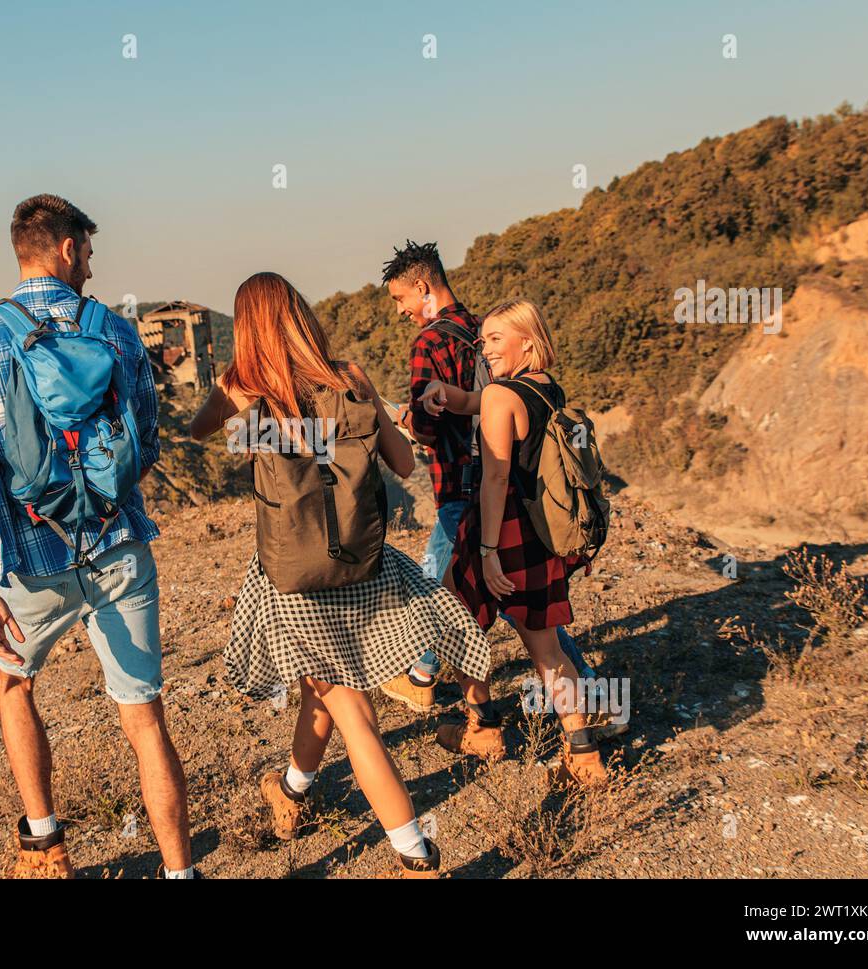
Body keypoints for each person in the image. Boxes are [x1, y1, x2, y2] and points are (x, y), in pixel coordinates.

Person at [190, 272, 493, 877]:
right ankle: (293, 790)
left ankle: (416, 856)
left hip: (295, 581)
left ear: (247, 329)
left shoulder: (245, 389)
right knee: (321, 691)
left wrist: (234, 395)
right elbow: (404, 462)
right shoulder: (350, 377)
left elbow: (200, 433)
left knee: (354, 713)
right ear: (302, 315)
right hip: (363, 567)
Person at [0, 194, 197, 878]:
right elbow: (145, 443)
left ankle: (47, 845)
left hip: (30, 559)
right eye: (87, 248)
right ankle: (180, 871)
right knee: (145, 718)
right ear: (65, 249)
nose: (91, 261)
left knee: (14, 684)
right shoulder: (115, 331)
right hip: (119, 547)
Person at [377, 240, 596, 714]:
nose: (400, 311)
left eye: (401, 299)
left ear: (422, 287)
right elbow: (484, 401)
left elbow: (430, 428)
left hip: (470, 491)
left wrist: (403, 418)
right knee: (529, 617)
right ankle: (582, 711)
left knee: (457, 604)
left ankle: (465, 707)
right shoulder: (486, 332)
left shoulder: (429, 342)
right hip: (522, 498)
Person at [420, 298, 607, 785]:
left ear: (528, 340)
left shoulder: (502, 396)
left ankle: (483, 727)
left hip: (498, 535)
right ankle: (583, 755)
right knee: (547, 651)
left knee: (453, 629)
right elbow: (473, 403)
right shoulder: (544, 389)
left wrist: (485, 552)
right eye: (482, 340)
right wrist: (443, 392)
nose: (485, 349)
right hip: (539, 536)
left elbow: (495, 478)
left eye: (495, 339)